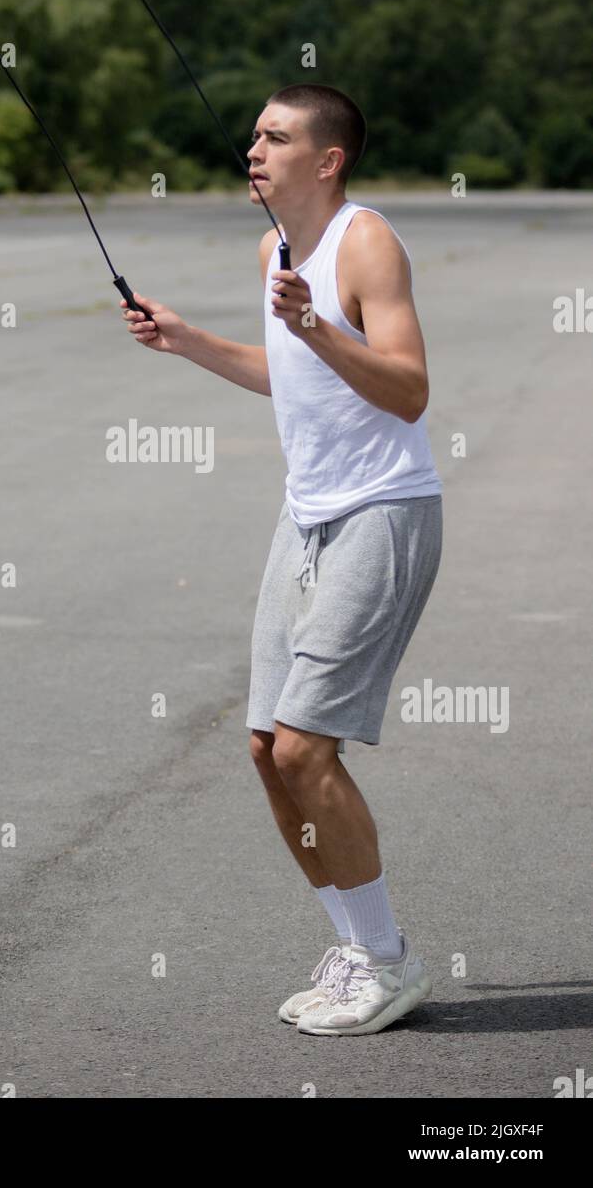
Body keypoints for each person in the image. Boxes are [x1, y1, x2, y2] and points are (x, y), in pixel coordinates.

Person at [118, 83, 443, 1035]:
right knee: (267, 749)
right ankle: (356, 952)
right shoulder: (275, 249)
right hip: (302, 521)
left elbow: (410, 389)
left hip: (383, 514)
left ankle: (388, 962)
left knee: (307, 746)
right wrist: (186, 342)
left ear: (328, 159)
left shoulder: (366, 241)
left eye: (276, 137)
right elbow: (287, 373)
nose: (252, 149)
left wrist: (312, 324)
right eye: (254, 134)